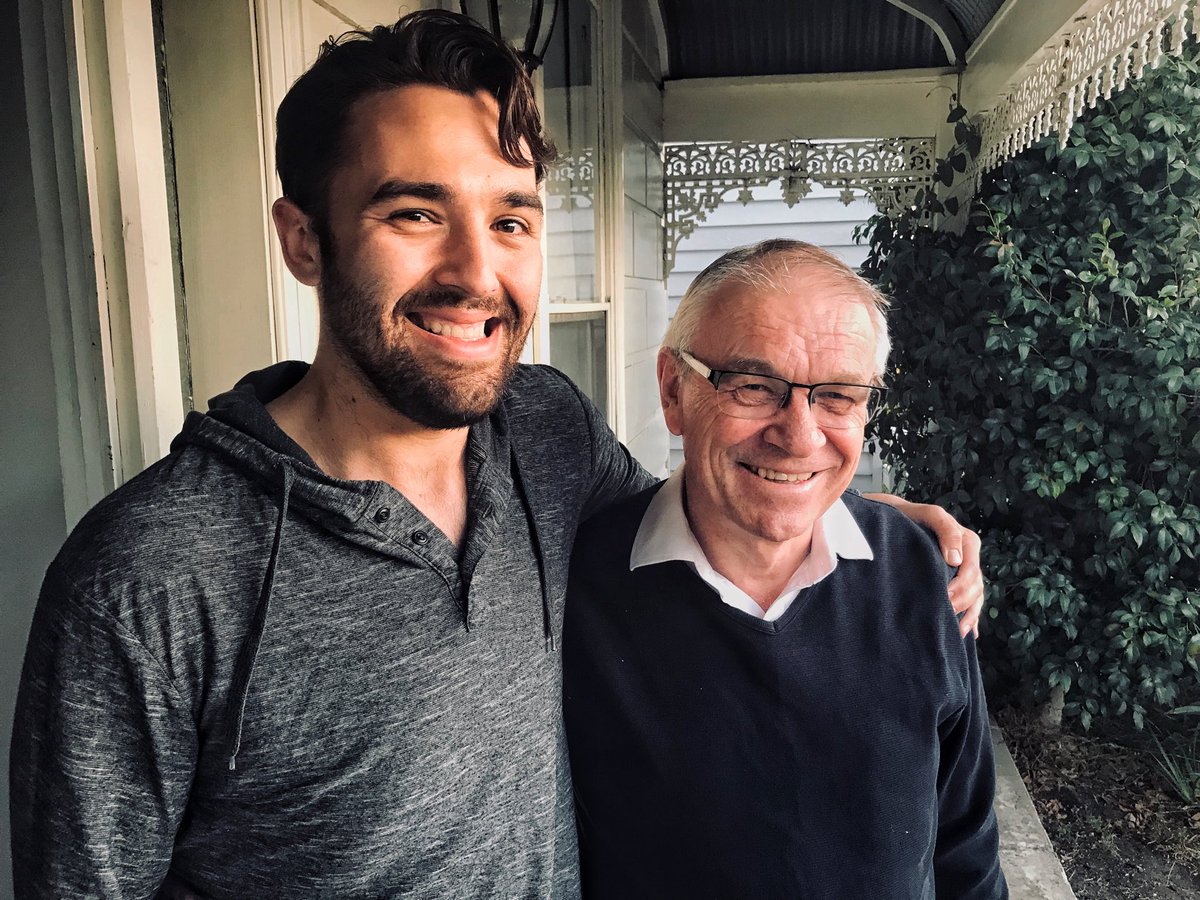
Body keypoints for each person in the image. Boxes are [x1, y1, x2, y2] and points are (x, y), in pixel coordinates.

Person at [11, 12, 982, 898]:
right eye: (415, 213)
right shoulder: (148, 579)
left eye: (510, 220)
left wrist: (846, 517)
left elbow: (700, 505)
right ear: (303, 240)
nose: (476, 273)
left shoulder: (546, 431)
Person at [564, 239, 1007, 899]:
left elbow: (966, 849)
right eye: (753, 387)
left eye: (838, 396)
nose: (799, 437)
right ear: (673, 390)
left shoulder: (925, 576)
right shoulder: (573, 585)